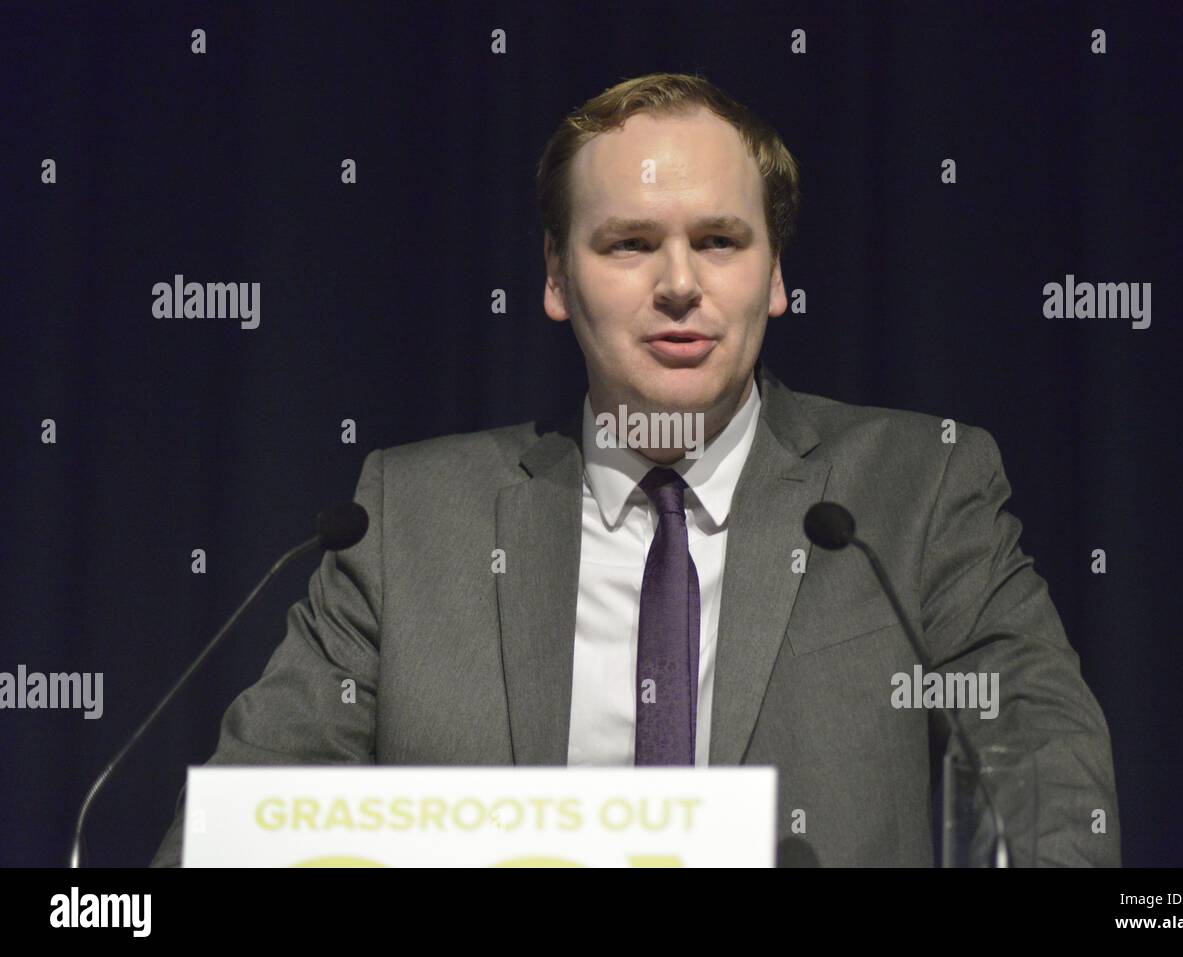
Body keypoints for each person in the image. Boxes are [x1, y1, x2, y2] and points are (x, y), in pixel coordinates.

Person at [151, 72, 1120, 867]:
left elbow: (1047, 777)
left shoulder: (914, 495)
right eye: (628, 244)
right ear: (554, 277)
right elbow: (237, 829)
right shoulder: (407, 521)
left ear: (775, 274)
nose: (678, 285)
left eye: (718, 241)